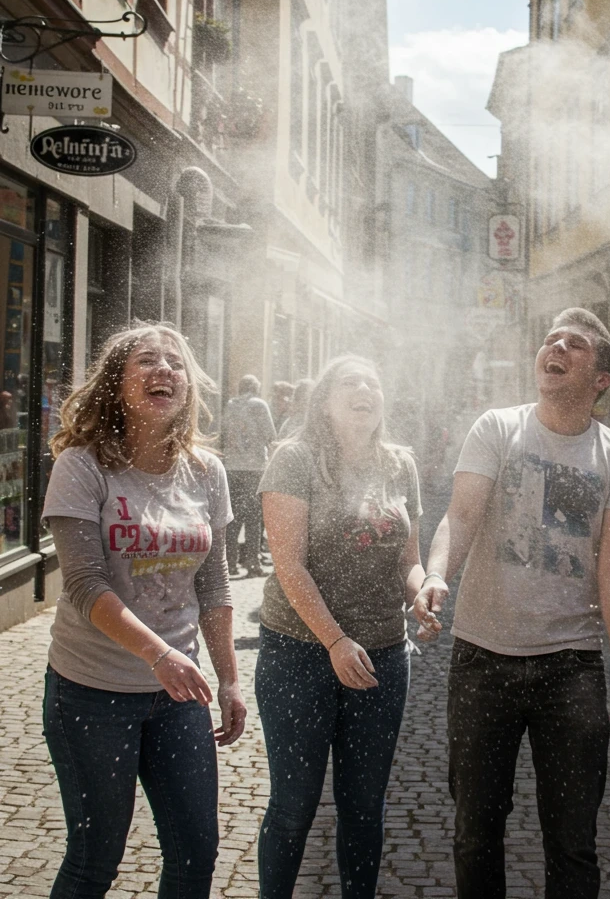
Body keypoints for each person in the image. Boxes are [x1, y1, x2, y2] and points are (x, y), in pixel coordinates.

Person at [413, 307, 610, 899]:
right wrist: (437, 573)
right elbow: (461, 515)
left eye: (574, 345)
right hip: (482, 658)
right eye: (550, 341)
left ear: (601, 380)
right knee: (475, 832)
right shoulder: (497, 427)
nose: (556, 348)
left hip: (569, 666)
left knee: (573, 843)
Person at [41, 323, 246, 899]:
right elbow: (84, 584)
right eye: (147, 361)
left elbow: (215, 584)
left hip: (179, 694)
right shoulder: (83, 466)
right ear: (117, 382)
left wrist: (229, 680)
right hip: (92, 690)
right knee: (95, 860)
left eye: (175, 363)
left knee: (195, 854)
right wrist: (158, 655)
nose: (164, 371)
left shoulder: (206, 471)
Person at [255, 355, 427, 899]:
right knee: (294, 804)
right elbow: (289, 564)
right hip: (299, 652)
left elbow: (410, 560)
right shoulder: (294, 459)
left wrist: (423, 590)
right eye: (349, 382)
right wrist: (334, 639)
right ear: (324, 400)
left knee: (364, 806)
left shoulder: (401, 465)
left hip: (381, 655)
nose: (364, 390)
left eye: (373, 383)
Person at [221, 374, 276, 577]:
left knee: (233, 517)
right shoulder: (259, 405)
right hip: (254, 468)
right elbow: (271, 435)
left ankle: (230, 563)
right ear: (256, 388)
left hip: (232, 467)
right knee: (254, 518)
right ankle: (253, 564)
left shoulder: (230, 405)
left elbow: (224, 432)